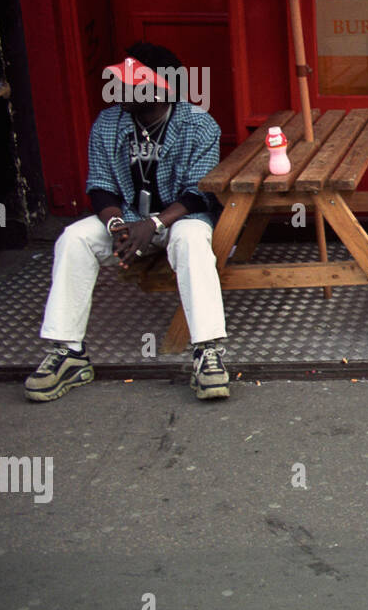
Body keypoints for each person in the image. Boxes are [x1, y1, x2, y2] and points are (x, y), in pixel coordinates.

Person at [25, 42, 231, 402]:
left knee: (192, 241)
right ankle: (69, 353)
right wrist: (116, 226)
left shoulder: (198, 124)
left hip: (181, 218)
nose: (118, 88)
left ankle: (206, 351)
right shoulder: (109, 122)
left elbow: (199, 192)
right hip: (128, 220)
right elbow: (100, 187)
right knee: (73, 238)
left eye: (131, 83)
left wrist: (152, 226)